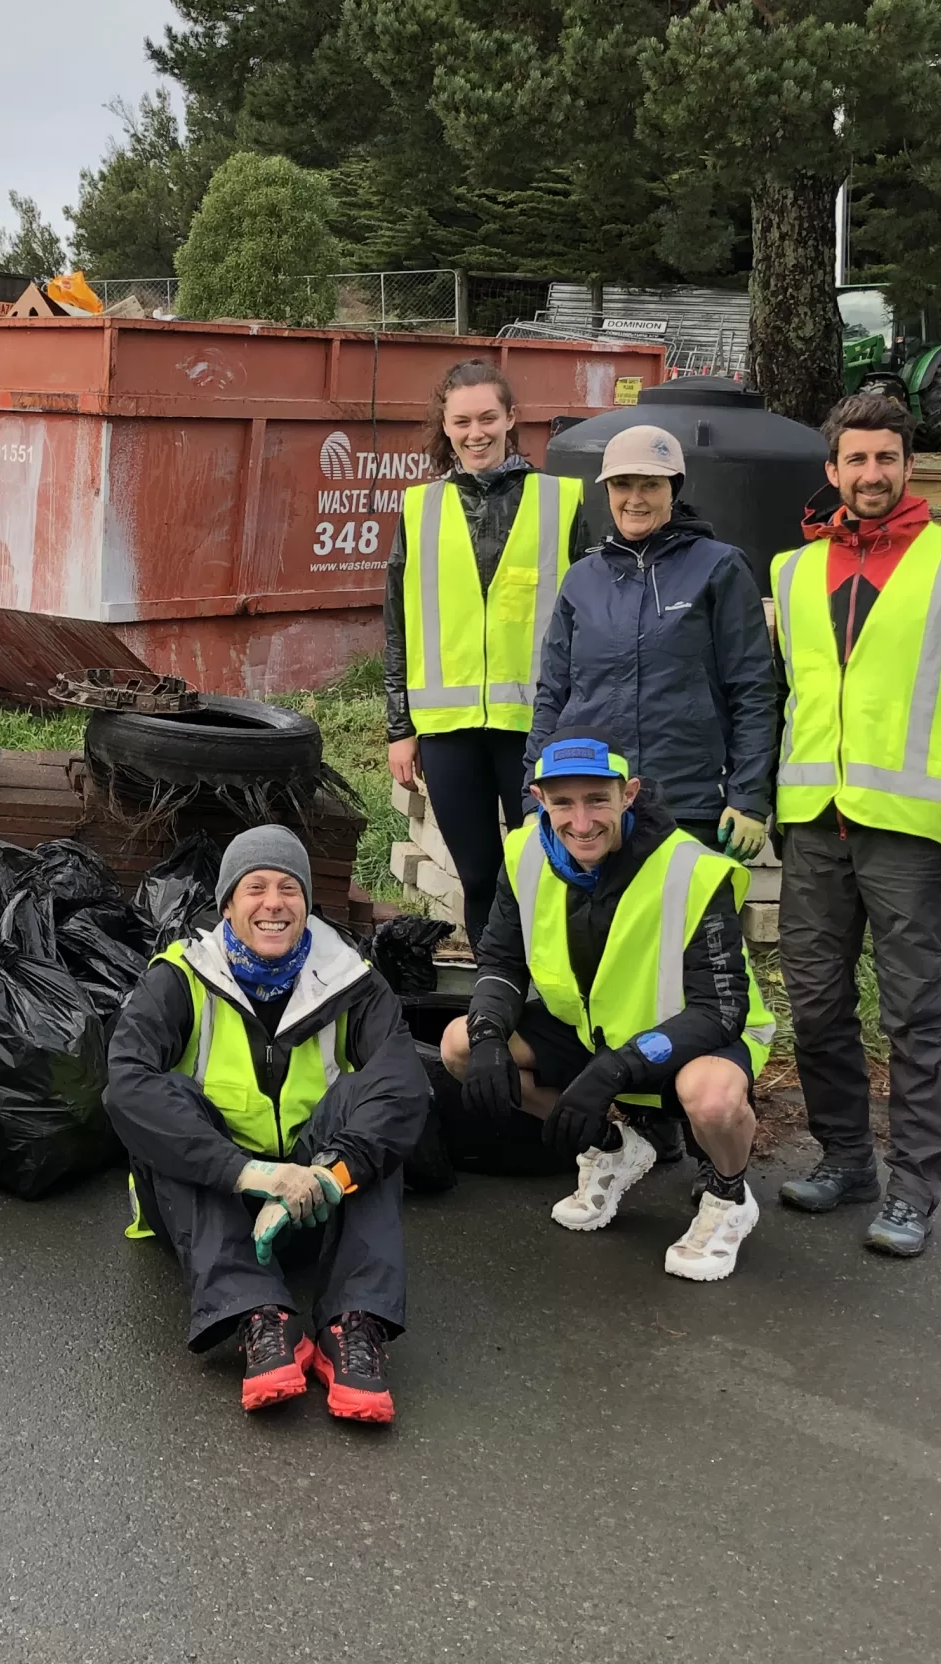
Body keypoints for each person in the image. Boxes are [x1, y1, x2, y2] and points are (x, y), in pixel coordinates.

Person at [770, 393, 941, 1258]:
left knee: (915, 1016)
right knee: (815, 1006)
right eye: (856, 461)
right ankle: (848, 1158)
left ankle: (915, 1189)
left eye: (887, 459)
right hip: (813, 825)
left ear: (908, 467)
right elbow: (782, 695)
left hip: (911, 836)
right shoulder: (793, 571)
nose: (871, 474)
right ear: (832, 470)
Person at [106, 827, 429, 1424]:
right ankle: (259, 1315)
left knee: (373, 1109)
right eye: (254, 888)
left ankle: (351, 1325)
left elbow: (403, 1087)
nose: (273, 902)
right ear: (227, 904)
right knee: (168, 1102)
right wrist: (249, 1173)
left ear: (307, 903)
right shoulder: (178, 978)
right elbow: (126, 1082)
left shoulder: (353, 982)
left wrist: (332, 1175)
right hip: (211, 1200)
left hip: (311, 1203)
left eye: (288, 888)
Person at [439, 731, 777, 1282]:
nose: (581, 820)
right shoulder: (525, 855)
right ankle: (612, 1148)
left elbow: (720, 1011)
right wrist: (486, 1037)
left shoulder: (691, 870)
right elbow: (500, 964)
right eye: (563, 802)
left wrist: (617, 1068)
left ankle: (728, 1195)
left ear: (630, 794)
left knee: (711, 1100)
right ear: (539, 799)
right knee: (458, 1044)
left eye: (598, 799)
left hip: (687, 1037)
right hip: (591, 1031)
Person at [385, 359, 587, 944]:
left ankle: (550, 999)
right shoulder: (419, 508)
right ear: (444, 427)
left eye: (488, 419)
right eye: (462, 421)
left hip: (537, 724)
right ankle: (495, 996)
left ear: (511, 419)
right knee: (478, 875)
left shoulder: (561, 501)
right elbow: (397, 622)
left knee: (545, 870)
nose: (477, 433)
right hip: (448, 728)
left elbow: (586, 617)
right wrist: (401, 726)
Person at [529, 423, 776, 860]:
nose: (635, 498)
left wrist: (748, 797)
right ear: (607, 490)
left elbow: (753, 690)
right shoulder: (583, 579)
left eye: (650, 484)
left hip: (690, 803)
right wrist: (535, 795)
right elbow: (552, 694)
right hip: (594, 804)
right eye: (622, 484)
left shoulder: (719, 568)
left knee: (687, 927)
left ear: (673, 489)